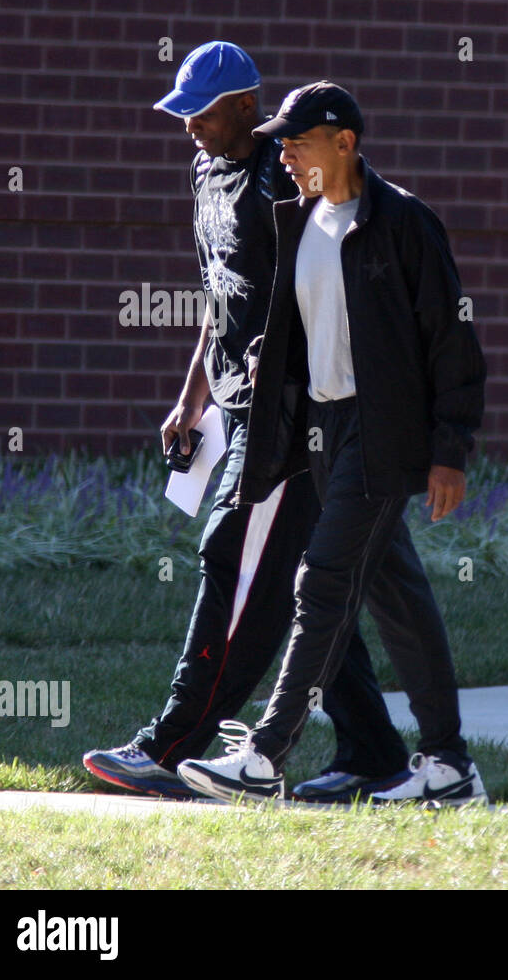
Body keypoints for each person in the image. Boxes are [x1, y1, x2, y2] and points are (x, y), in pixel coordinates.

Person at [83, 44, 411, 804]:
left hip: (291, 421)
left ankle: (168, 747)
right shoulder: (203, 171)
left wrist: (289, 354)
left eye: (200, 113)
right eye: (181, 113)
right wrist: (193, 391)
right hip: (235, 409)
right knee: (306, 589)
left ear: (243, 105)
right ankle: (374, 753)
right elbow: (220, 290)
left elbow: (336, 274)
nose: (188, 127)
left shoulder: (281, 173)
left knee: (231, 562)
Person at [176, 81, 488, 807]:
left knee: (318, 582)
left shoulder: (403, 222)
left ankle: (263, 755)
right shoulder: (299, 217)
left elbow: (453, 342)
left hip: (380, 433)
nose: (282, 153)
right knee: (397, 598)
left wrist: (450, 449)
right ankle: (450, 766)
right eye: (279, 141)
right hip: (321, 431)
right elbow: (297, 326)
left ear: (344, 142)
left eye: (298, 140)